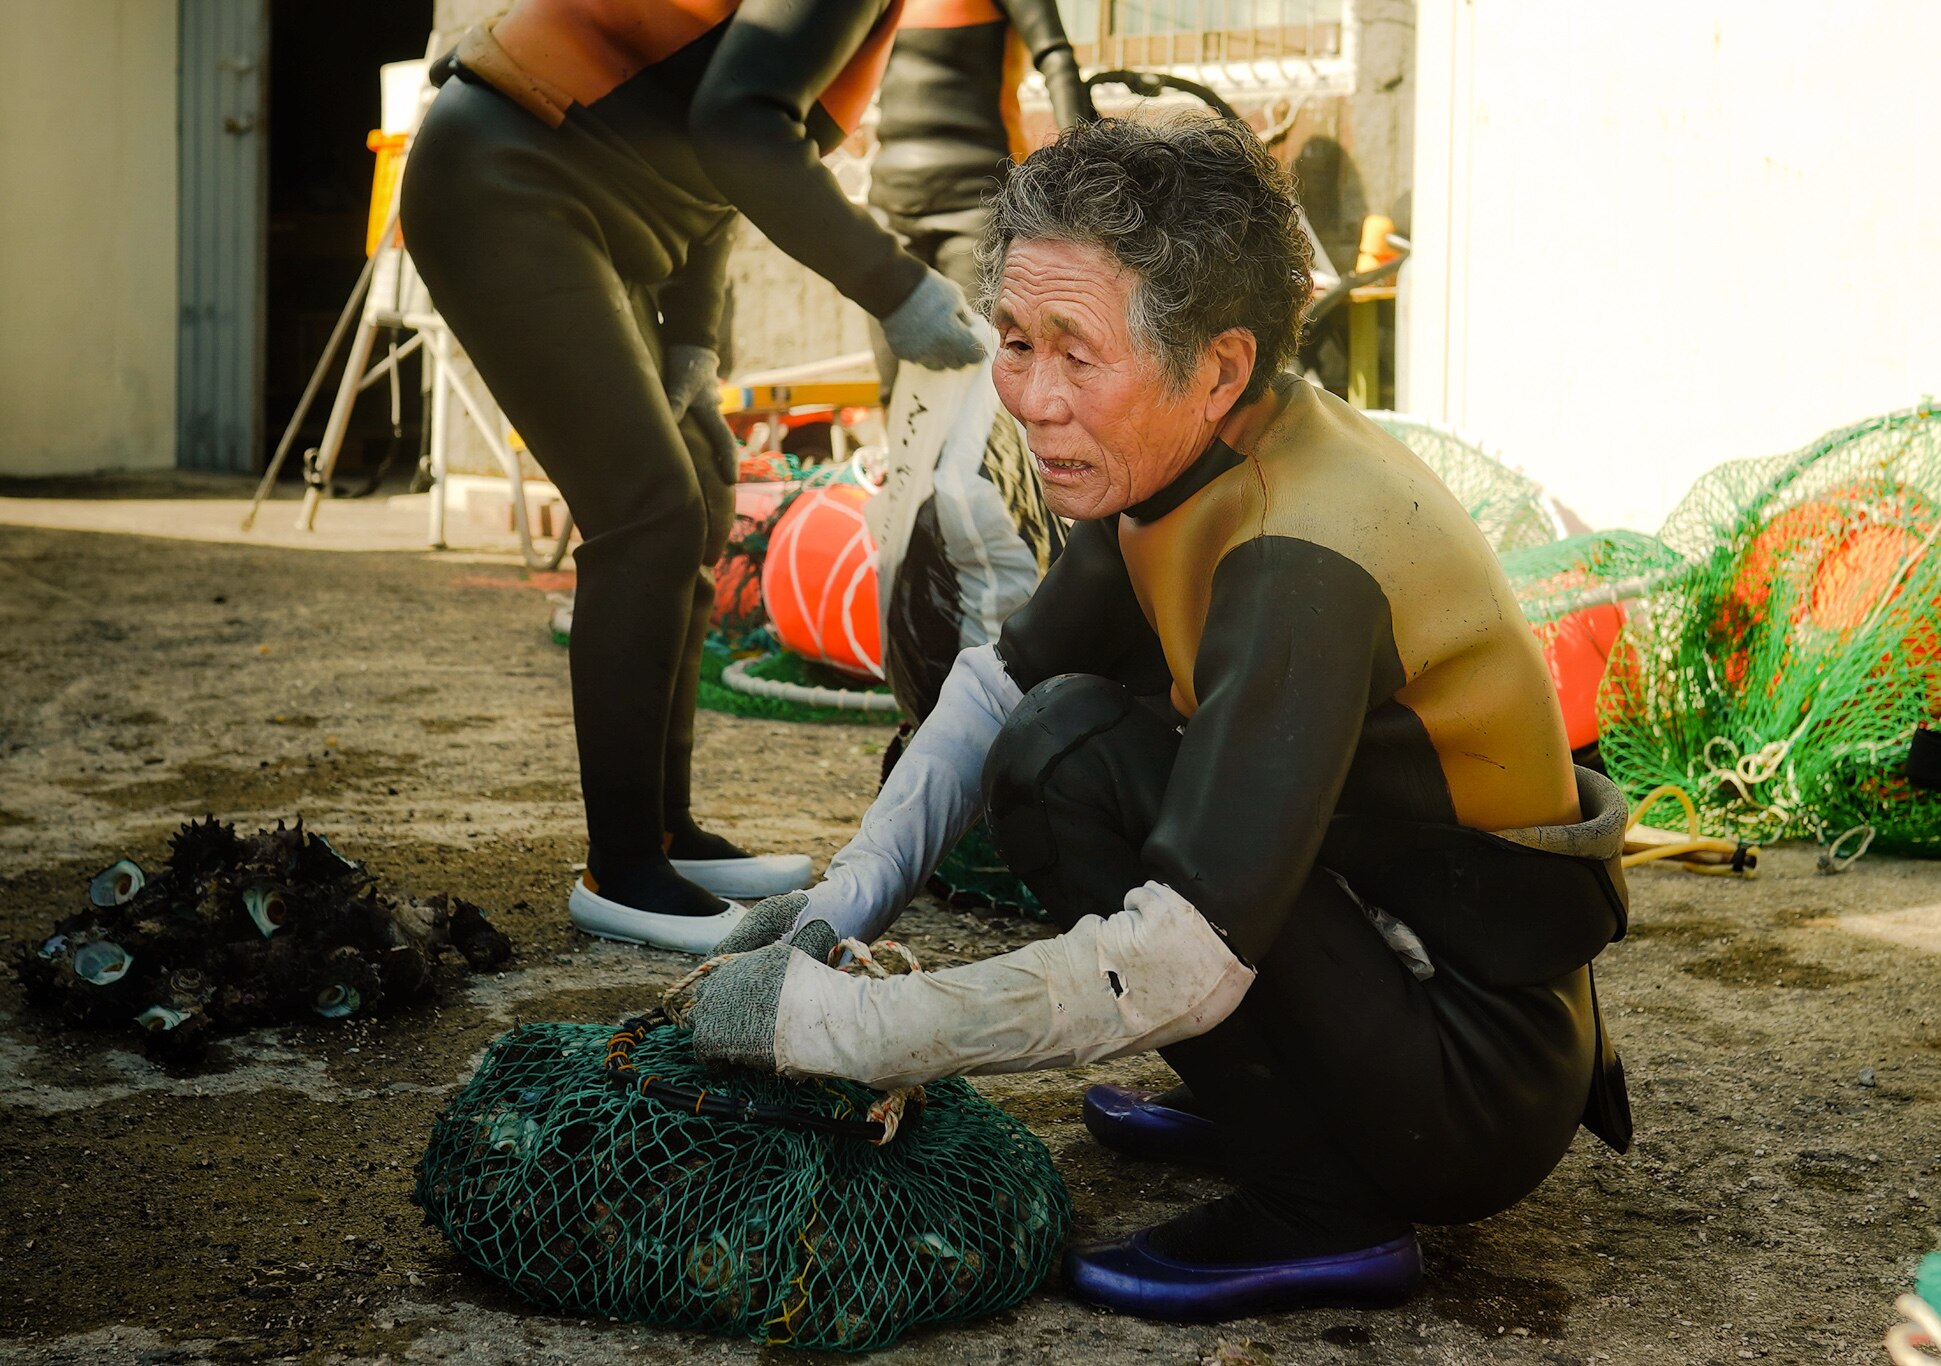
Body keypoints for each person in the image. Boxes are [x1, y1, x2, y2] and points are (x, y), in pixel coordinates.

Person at [682, 115, 1632, 1321]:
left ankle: (1326, 1205)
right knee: (1054, 740)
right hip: (1383, 952)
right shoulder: (1184, 451)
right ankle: (1276, 1095)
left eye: (1075, 353)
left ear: (1220, 365)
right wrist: (834, 909)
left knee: (1072, 757)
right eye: (1014, 341)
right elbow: (995, 692)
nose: (1028, 395)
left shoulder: (1301, 554)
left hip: (1471, 1081)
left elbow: (1179, 959)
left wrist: (846, 1026)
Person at [401, 0, 985, 954]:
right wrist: (896, 286)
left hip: (603, 219)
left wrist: (695, 346)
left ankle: (665, 832)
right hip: (508, 177)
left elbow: (715, 164)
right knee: (646, 517)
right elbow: (738, 129)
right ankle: (620, 869)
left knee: (704, 485)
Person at [865, 0, 1092, 405]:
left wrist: (1093, 167)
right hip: (887, 205)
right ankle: (901, 466)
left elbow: (1056, 57)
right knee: (894, 386)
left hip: (976, 206)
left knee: (981, 378)